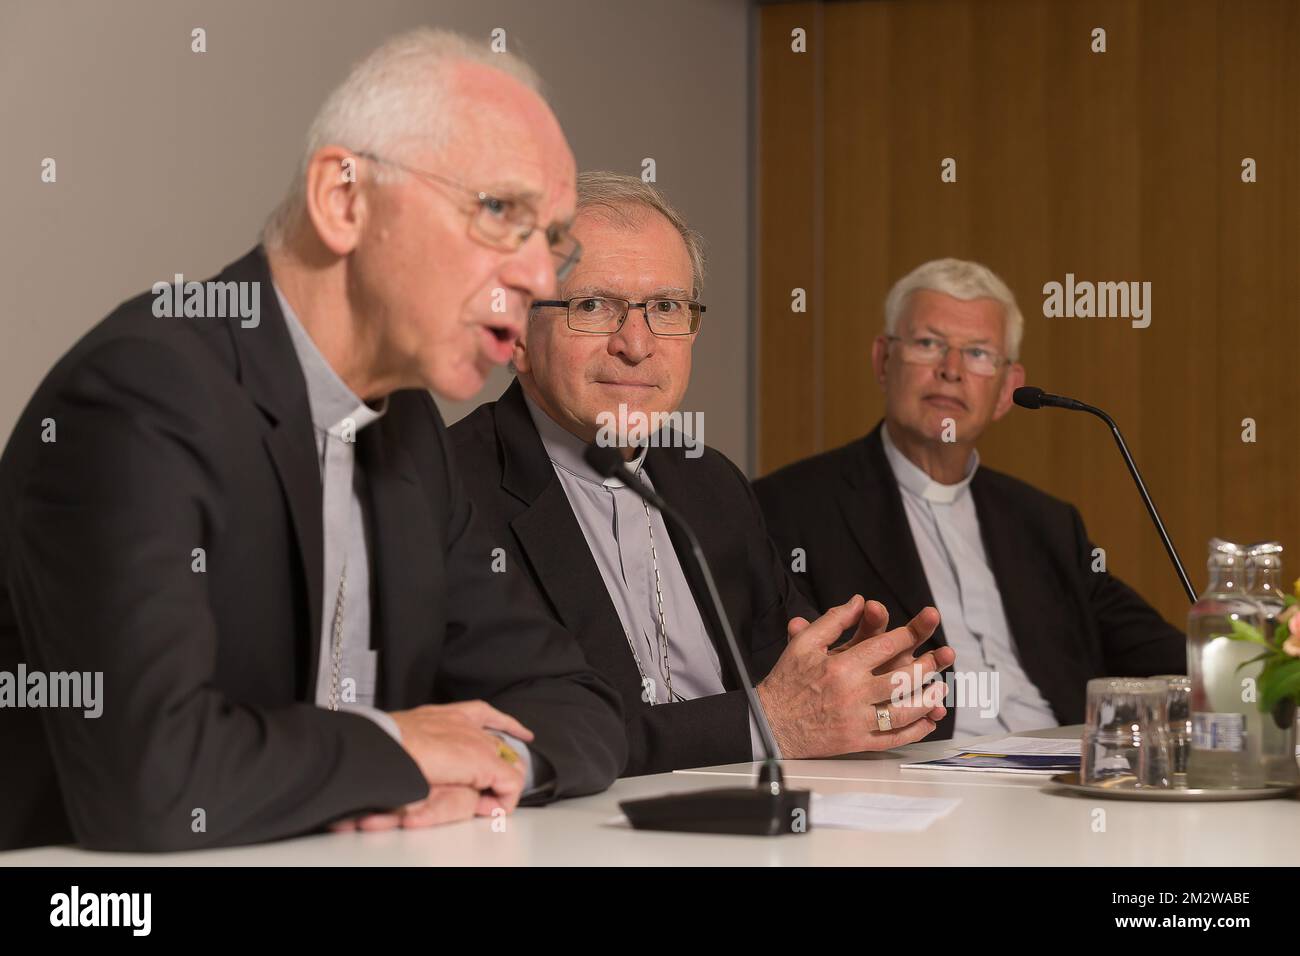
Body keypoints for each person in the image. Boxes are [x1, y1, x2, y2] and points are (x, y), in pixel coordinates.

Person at [0, 28, 626, 852]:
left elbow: (573, 700)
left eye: (552, 239)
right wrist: (401, 748)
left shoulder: (407, 431)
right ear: (344, 199)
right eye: (502, 213)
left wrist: (492, 759)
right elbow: (153, 781)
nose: (543, 280)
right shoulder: (141, 392)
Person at [451, 173, 952, 776]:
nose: (636, 344)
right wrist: (765, 726)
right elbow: (515, 738)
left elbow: (785, 687)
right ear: (517, 337)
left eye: (665, 308)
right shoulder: (447, 488)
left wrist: (858, 685)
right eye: (592, 306)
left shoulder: (711, 484)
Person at [755, 257, 1185, 740]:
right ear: (883, 361)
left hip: (1066, 771)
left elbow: (1165, 655)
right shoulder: (786, 508)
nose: (951, 370)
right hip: (915, 777)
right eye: (928, 344)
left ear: (1006, 390)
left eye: (979, 353)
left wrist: (1262, 658)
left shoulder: (1045, 523)